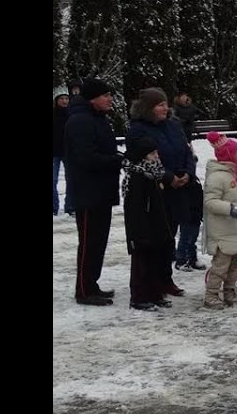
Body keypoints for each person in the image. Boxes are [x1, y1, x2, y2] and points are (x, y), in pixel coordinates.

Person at [127, 88, 202, 288]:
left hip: (181, 186)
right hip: (156, 190)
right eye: (160, 105)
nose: (165, 108)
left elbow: (187, 151)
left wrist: (188, 172)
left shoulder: (173, 125)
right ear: (148, 108)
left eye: (165, 103)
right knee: (157, 236)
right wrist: (168, 177)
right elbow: (143, 160)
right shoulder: (138, 129)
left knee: (170, 235)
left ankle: (166, 279)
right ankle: (154, 280)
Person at [63, 79, 124, 306]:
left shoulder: (97, 119)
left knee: (99, 241)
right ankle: (83, 290)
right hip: (87, 192)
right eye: (105, 95)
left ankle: (92, 283)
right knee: (89, 242)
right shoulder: (80, 121)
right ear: (92, 98)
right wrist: (115, 160)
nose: (110, 99)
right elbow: (86, 158)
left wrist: (114, 157)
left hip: (102, 190)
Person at [202, 132, 237, 309]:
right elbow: (210, 202)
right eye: (236, 152)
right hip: (223, 232)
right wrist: (230, 209)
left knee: (234, 266)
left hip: (236, 230)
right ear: (227, 154)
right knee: (220, 267)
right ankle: (211, 294)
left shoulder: (236, 176)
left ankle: (229, 291)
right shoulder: (217, 177)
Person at [121, 135, 172, 311]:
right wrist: (140, 233)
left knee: (155, 261)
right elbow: (135, 209)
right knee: (141, 263)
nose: (156, 156)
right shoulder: (137, 177)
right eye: (152, 153)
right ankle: (139, 296)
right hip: (141, 230)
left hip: (155, 226)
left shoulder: (153, 175)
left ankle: (155, 293)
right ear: (143, 156)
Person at [53, 90, 73, 216]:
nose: (65, 101)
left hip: (68, 152)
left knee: (71, 180)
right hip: (54, 152)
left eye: (66, 98)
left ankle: (70, 206)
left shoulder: (72, 114)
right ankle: (53, 207)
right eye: (62, 98)